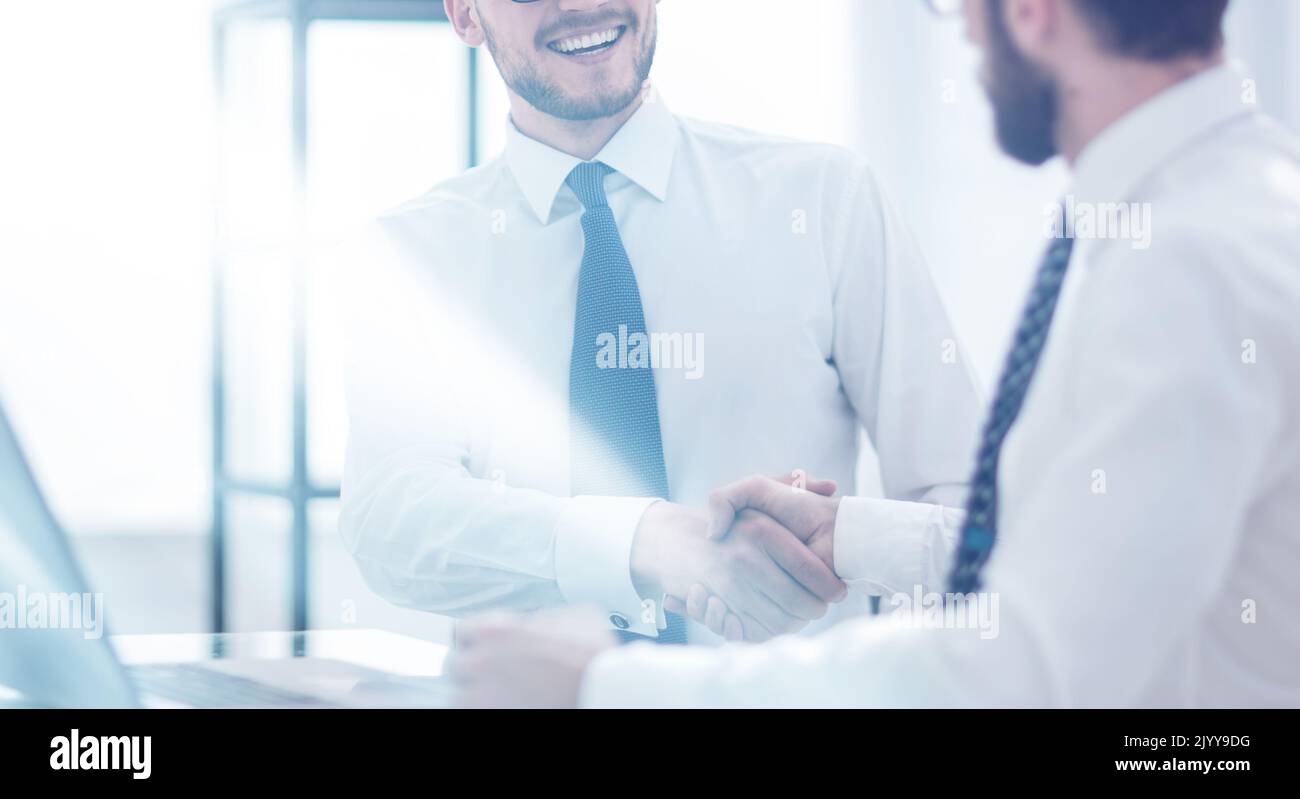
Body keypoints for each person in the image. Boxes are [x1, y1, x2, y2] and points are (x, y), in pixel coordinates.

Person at [447, 0, 1300, 707]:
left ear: (1033, 11)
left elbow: (1023, 669)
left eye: (960, 5)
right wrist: (854, 535)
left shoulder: (1193, 260)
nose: (963, 32)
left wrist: (607, 686)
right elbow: (1098, 555)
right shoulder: (1223, 210)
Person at [339, 0, 982, 646]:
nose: (581, 5)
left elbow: (971, 511)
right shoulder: (415, 254)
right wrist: (645, 540)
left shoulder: (824, 200)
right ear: (465, 14)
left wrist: (843, 548)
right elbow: (391, 518)